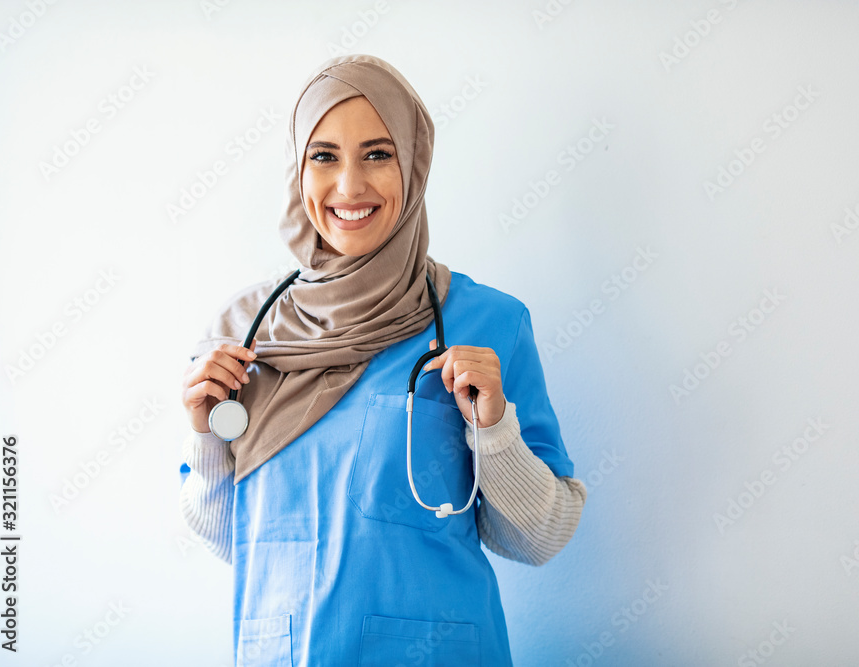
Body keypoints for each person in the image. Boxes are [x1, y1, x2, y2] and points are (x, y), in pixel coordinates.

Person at [178, 54, 586, 665]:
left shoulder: (489, 324)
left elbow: (538, 539)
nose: (349, 187)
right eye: (324, 156)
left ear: (414, 165)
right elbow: (235, 542)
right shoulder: (241, 333)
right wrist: (206, 439)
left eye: (377, 153)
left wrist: (493, 431)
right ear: (298, 170)